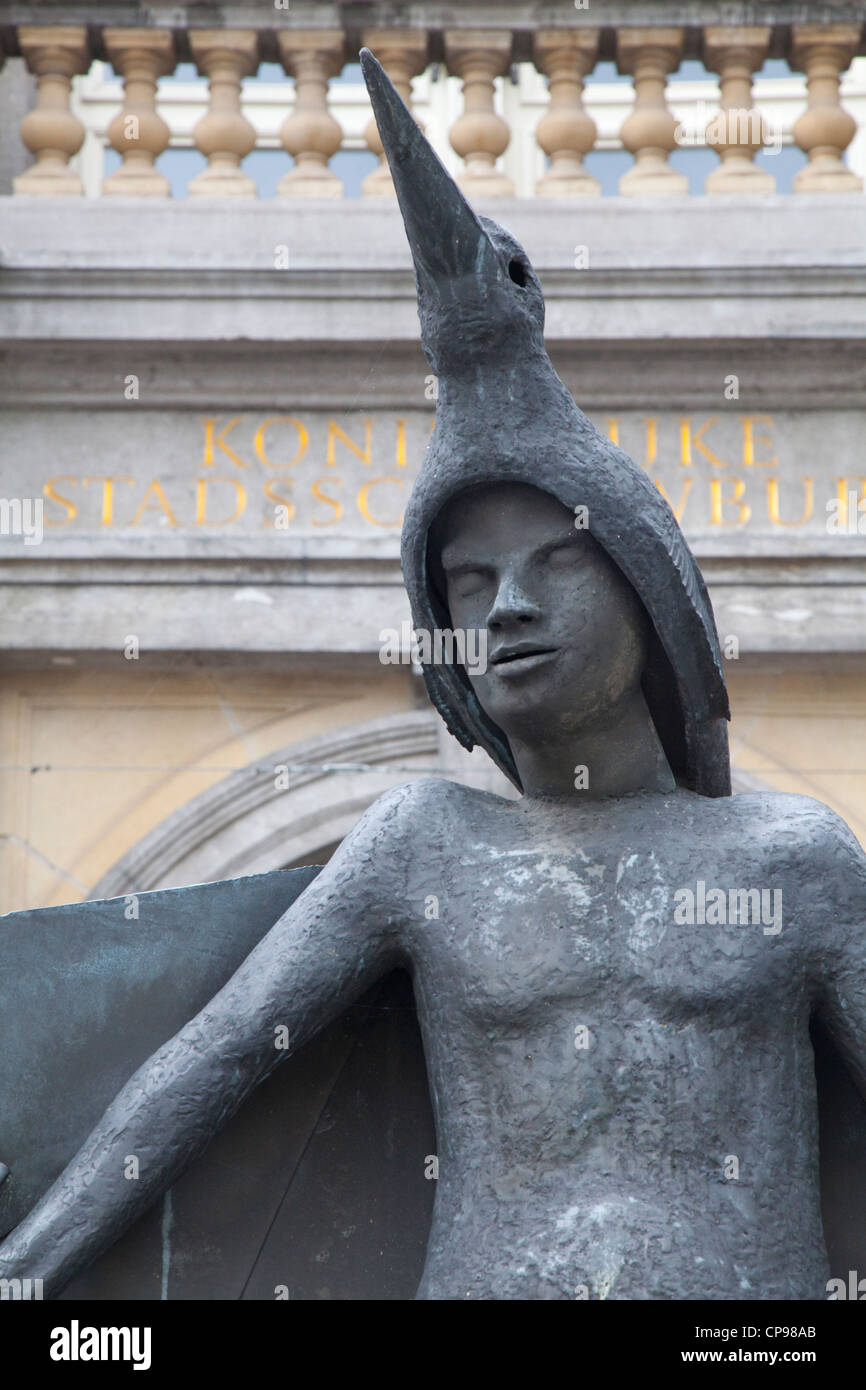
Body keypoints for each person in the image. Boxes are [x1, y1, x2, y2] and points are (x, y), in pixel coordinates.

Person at [1, 51, 864, 1301]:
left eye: (552, 562)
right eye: (466, 582)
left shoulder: (793, 860)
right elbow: (210, 1063)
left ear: (646, 593)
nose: (506, 604)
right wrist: (26, 1269)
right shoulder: (420, 847)